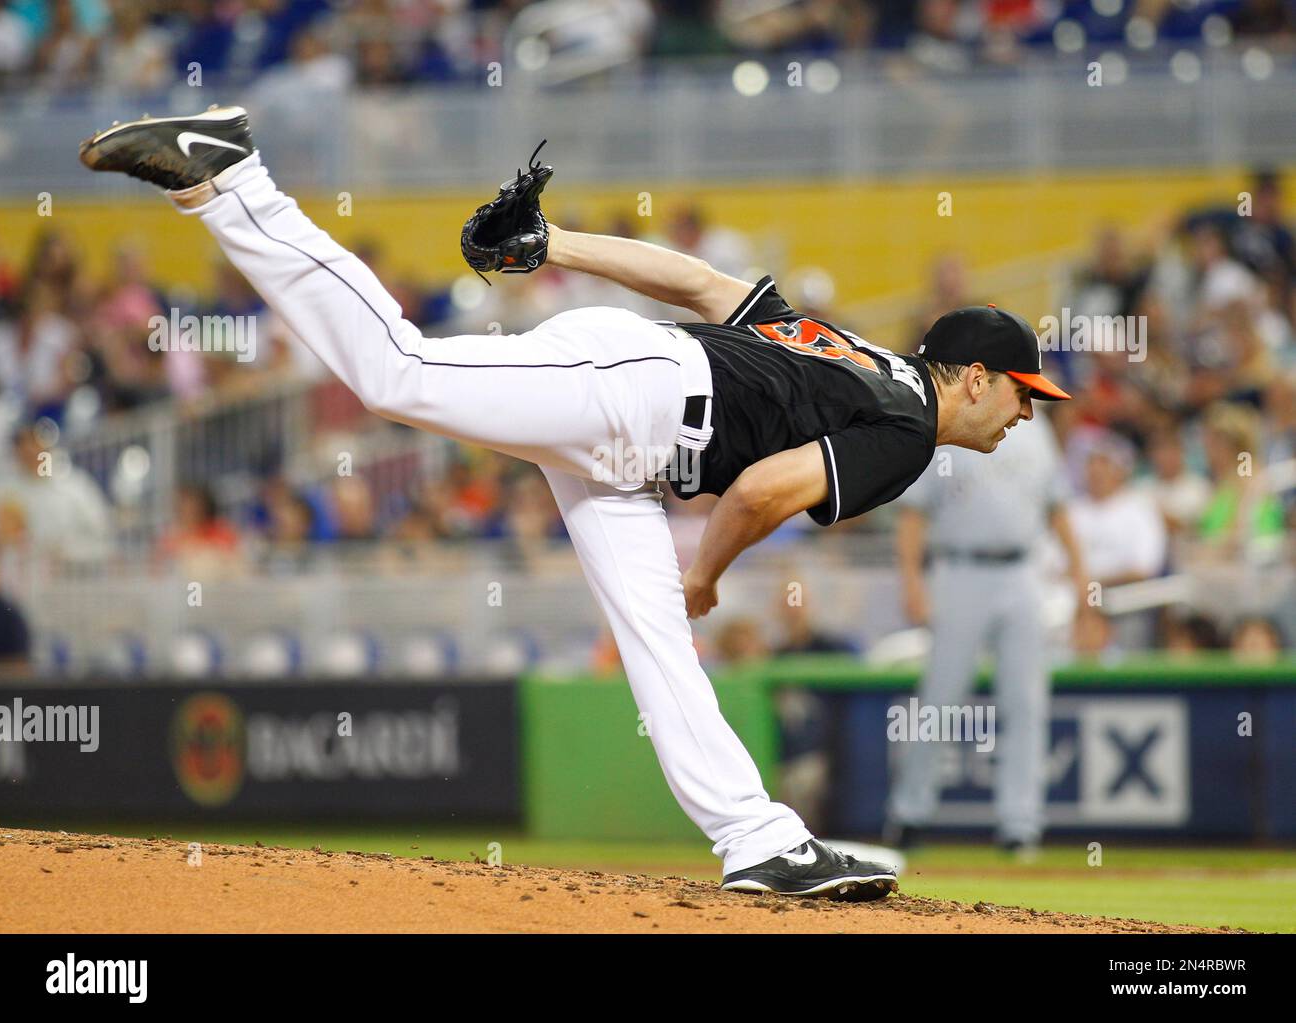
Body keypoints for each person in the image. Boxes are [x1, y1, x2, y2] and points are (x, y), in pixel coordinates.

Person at [79, 105, 1070, 901]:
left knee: (653, 639)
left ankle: (758, 839)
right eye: (1024, 395)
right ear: (975, 377)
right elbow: (764, 489)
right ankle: (233, 178)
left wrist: (554, 242)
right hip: (634, 395)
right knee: (397, 375)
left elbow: (699, 282)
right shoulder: (903, 431)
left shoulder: (863, 360)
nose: (1028, 415)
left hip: (635, 430)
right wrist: (707, 573)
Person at [885, 413, 1089, 858]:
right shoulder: (952, 427)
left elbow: (1058, 508)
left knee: (1026, 701)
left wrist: (1080, 576)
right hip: (959, 569)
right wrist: (912, 581)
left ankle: (1020, 825)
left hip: (1023, 570)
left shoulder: (1037, 431)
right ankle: (909, 815)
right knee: (939, 698)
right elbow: (913, 514)